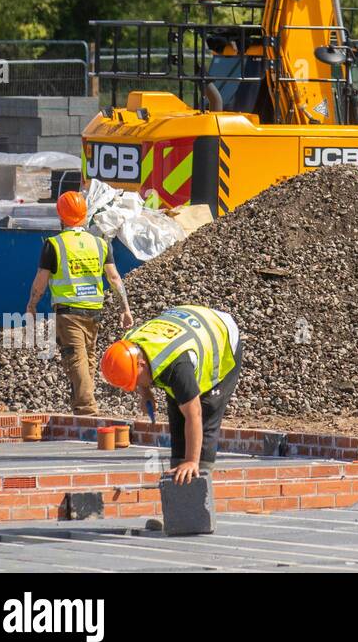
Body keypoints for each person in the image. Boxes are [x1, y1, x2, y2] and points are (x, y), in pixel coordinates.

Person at [100, 305, 242, 484]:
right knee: (176, 407)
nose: (135, 385)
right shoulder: (128, 344)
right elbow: (136, 369)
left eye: (135, 381)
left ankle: (200, 477)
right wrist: (145, 393)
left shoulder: (177, 367)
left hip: (222, 338)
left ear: (141, 364)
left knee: (205, 412)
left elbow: (194, 414)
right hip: (188, 324)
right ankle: (178, 471)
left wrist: (191, 461)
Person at [26, 191, 133, 416]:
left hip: (69, 312)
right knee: (88, 360)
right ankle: (80, 407)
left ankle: (87, 411)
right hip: (94, 312)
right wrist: (125, 308)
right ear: (84, 216)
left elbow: (40, 281)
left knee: (76, 360)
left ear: (61, 217)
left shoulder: (54, 245)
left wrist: (31, 305)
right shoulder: (100, 244)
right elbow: (114, 278)